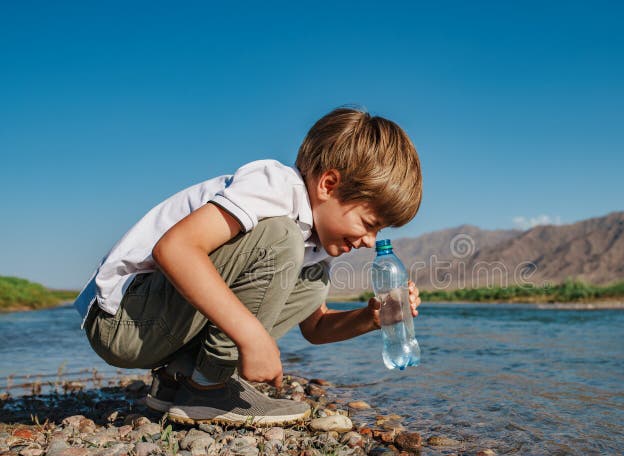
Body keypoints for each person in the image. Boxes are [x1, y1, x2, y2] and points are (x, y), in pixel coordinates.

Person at [74, 107, 423, 427]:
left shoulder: (315, 244)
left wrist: (370, 318)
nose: (369, 241)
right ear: (328, 185)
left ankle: (180, 380)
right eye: (368, 223)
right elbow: (175, 249)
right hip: (123, 319)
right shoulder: (276, 188)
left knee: (313, 280)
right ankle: (208, 387)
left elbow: (315, 327)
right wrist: (250, 335)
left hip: (160, 326)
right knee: (279, 237)